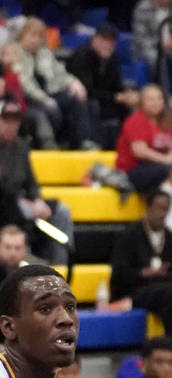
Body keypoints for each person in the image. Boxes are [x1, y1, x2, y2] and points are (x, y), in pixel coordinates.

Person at [0, 101, 75, 261]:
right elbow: (3, 189)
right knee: (16, 207)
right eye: (6, 120)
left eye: (15, 121)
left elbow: (31, 181)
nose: (11, 125)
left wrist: (38, 200)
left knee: (62, 211)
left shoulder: (21, 146)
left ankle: (60, 267)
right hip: (6, 203)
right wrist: (25, 203)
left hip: (25, 201)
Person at [110, 188, 172, 339]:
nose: (162, 213)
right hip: (132, 290)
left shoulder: (171, 238)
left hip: (161, 291)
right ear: (148, 208)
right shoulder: (129, 235)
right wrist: (146, 273)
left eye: (166, 209)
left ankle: (171, 344)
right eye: (158, 208)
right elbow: (119, 273)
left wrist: (171, 273)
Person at [10, 17, 94, 149]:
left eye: (40, 36)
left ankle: (82, 142)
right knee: (51, 110)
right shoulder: (15, 52)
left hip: (50, 93)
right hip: (28, 97)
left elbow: (60, 73)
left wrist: (73, 82)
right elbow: (24, 83)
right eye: (33, 35)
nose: (36, 40)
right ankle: (50, 145)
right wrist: (45, 99)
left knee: (76, 98)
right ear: (23, 35)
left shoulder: (45, 53)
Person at [66, 21, 138, 144]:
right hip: (82, 100)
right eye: (104, 39)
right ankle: (91, 143)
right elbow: (88, 90)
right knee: (93, 105)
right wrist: (115, 97)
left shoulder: (113, 58)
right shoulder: (81, 56)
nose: (107, 44)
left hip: (105, 100)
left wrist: (126, 95)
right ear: (94, 39)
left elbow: (117, 85)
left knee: (129, 106)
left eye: (111, 41)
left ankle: (128, 142)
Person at [116, 85, 172, 193]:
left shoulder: (166, 123)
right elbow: (140, 151)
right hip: (132, 171)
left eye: (159, 98)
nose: (155, 102)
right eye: (150, 99)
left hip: (160, 167)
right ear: (142, 102)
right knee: (164, 170)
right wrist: (166, 161)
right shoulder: (136, 120)